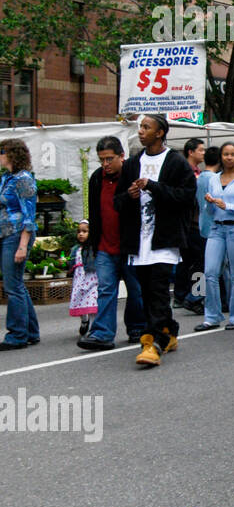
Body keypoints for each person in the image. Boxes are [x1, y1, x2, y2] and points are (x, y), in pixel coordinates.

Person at [116, 115, 198, 367]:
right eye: (140, 127)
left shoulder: (176, 163)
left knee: (159, 291)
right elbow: (116, 202)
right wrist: (129, 195)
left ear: (160, 133)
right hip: (138, 242)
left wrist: (153, 186)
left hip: (164, 239)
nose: (140, 131)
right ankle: (170, 330)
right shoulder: (132, 164)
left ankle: (153, 343)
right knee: (147, 292)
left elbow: (186, 197)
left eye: (146, 127)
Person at [78, 137, 146, 351]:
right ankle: (102, 333)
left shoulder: (134, 174)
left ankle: (137, 327)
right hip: (105, 245)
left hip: (130, 244)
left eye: (109, 159)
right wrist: (92, 242)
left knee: (136, 290)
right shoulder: (97, 178)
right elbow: (94, 212)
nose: (105, 164)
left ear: (121, 156)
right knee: (106, 289)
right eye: (102, 160)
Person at [195, 142, 234, 333]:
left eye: (233, 154)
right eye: (225, 154)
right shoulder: (214, 179)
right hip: (216, 228)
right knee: (210, 272)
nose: (229, 158)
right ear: (220, 156)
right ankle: (211, 317)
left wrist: (227, 206)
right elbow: (211, 210)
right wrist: (210, 204)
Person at [0, 138, 40, 350]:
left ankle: (17, 335)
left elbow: (29, 216)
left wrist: (23, 245)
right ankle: (31, 331)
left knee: (12, 286)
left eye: (2, 151)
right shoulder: (7, 178)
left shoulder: (23, 179)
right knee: (17, 284)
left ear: (12, 154)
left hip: (16, 235)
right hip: (6, 234)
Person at [173, 137, 206, 315]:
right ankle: (191, 295)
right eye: (201, 150)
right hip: (189, 224)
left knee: (189, 260)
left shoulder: (198, 172)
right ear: (190, 152)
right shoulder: (185, 172)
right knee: (194, 260)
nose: (203, 153)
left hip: (195, 224)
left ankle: (185, 294)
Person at [69, 220, 98, 337]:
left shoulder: (93, 247)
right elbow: (72, 262)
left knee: (92, 300)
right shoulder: (76, 249)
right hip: (79, 278)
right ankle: (84, 320)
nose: (81, 234)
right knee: (79, 299)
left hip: (91, 278)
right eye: (79, 232)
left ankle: (94, 326)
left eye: (85, 231)